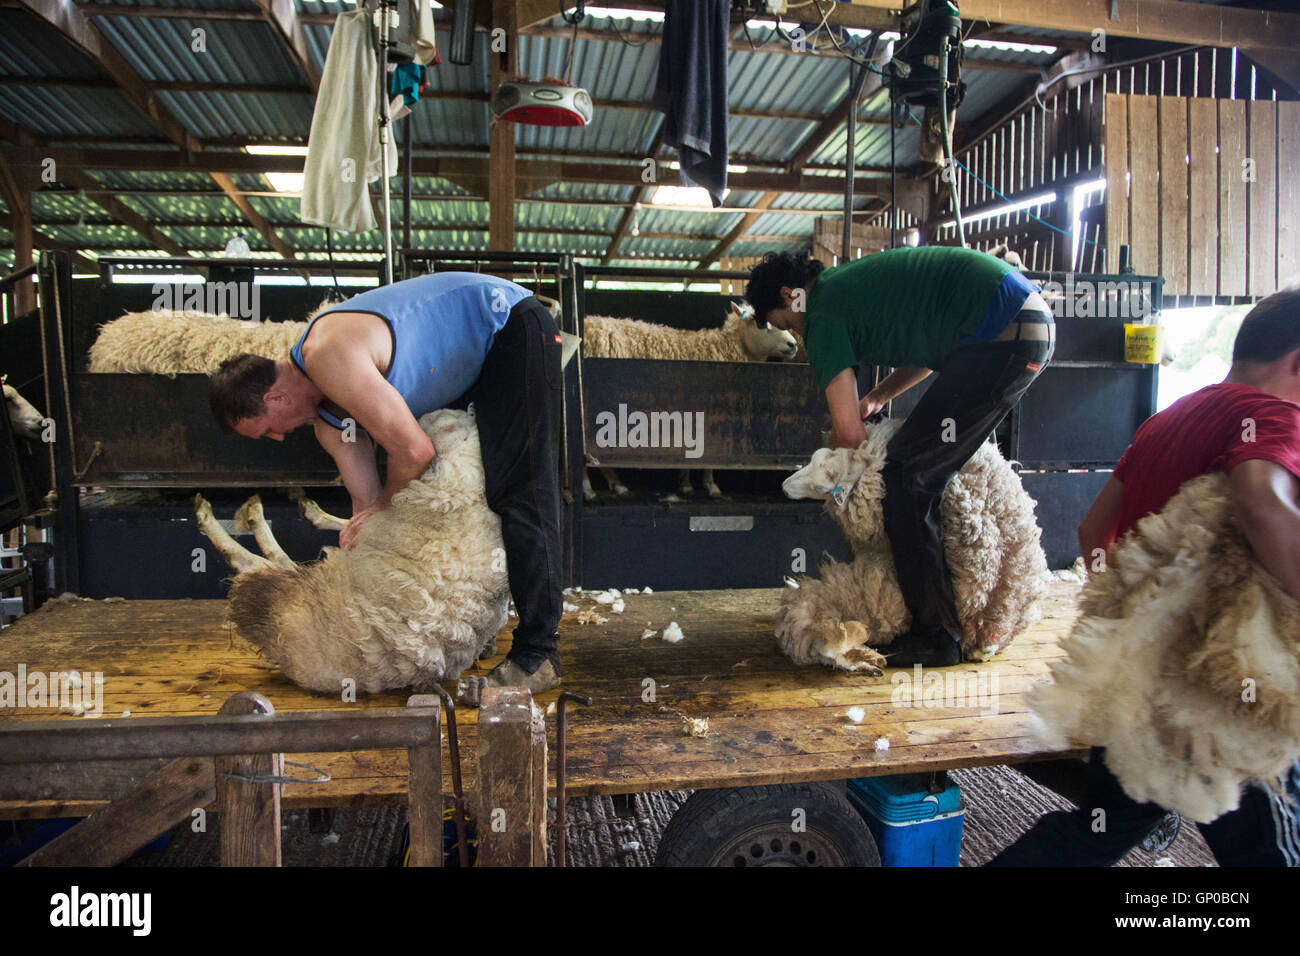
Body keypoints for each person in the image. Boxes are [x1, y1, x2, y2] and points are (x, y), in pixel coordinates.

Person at [987, 288, 1300, 866]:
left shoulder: (1168, 420)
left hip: (1135, 677)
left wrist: (1119, 617)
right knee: (1275, 844)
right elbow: (1262, 502)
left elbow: (1091, 532)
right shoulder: (1272, 416)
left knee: (1100, 830)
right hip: (1219, 690)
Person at [207, 271, 565, 696]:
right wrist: (365, 537)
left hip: (509, 327)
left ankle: (537, 655)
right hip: (473, 366)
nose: (280, 438)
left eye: (267, 429)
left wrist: (382, 506)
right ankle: (482, 632)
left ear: (275, 399)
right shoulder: (329, 425)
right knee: (479, 495)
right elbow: (370, 506)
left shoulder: (327, 354)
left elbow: (414, 453)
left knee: (519, 490)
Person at [746, 246, 1054, 666]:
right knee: (918, 465)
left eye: (788, 324)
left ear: (790, 295)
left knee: (908, 477)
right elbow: (929, 355)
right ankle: (952, 612)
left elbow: (849, 434)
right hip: (1024, 326)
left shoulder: (821, 313)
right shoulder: (850, 287)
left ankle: (938, 636)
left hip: (1004, 333)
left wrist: (842, 489)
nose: (797, 335)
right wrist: (879, 397)